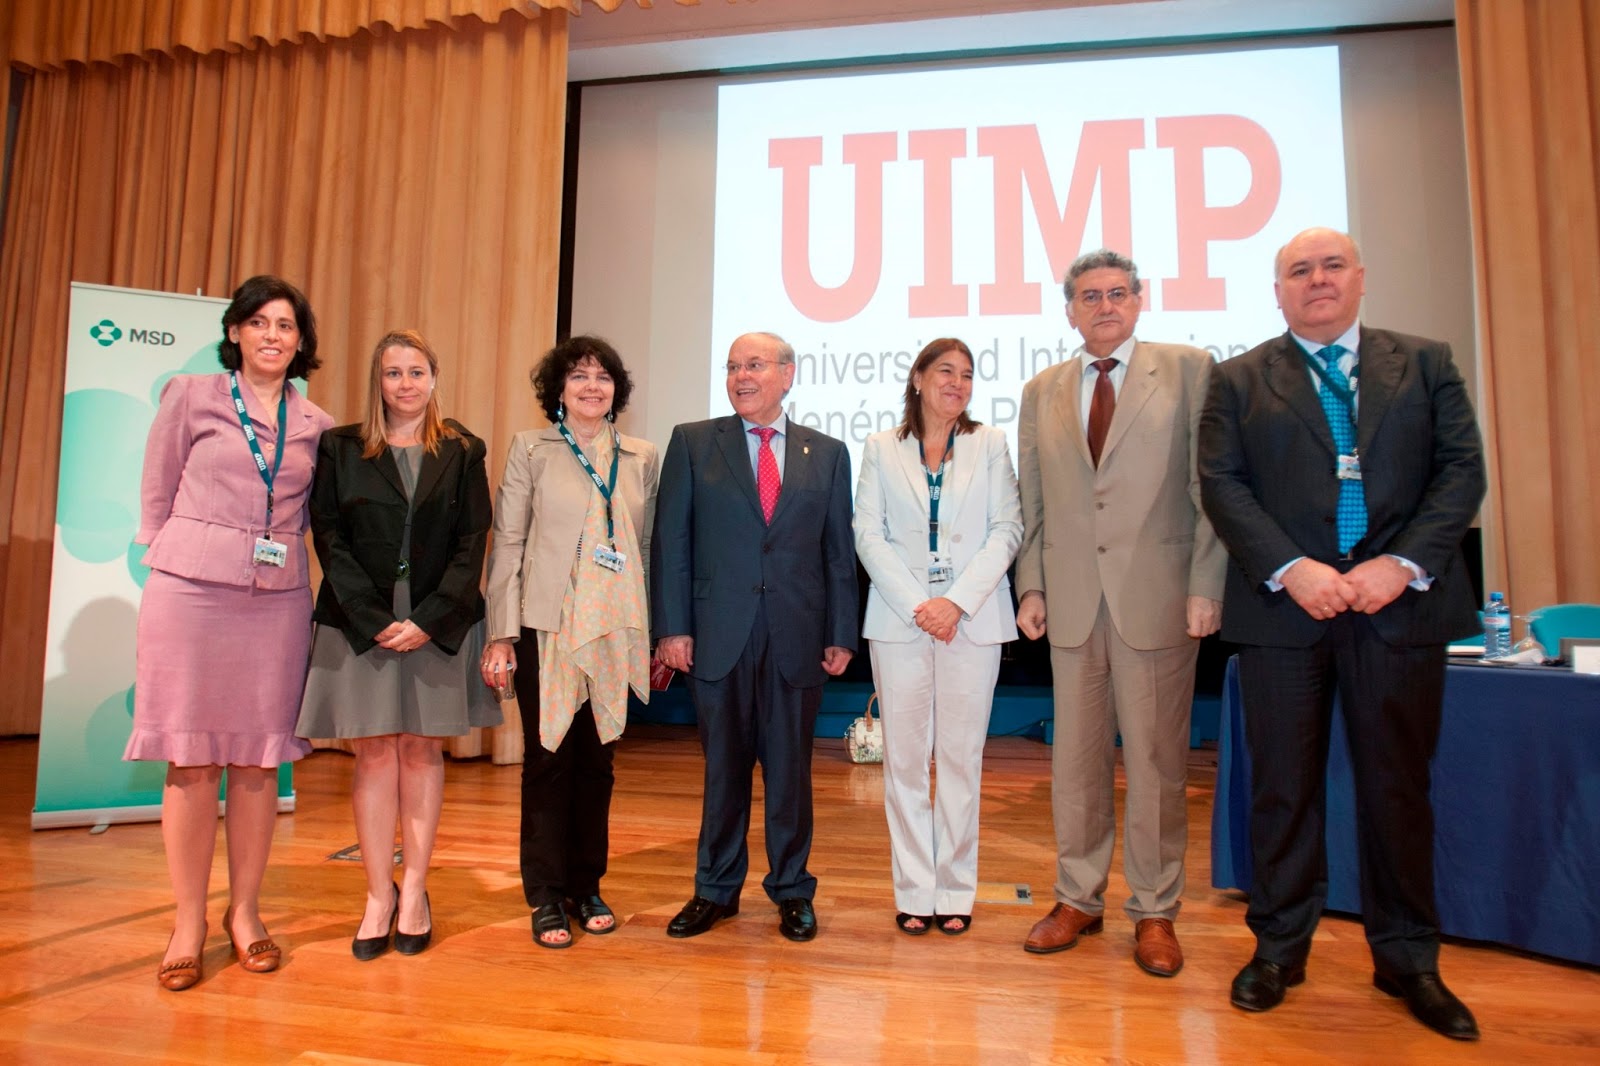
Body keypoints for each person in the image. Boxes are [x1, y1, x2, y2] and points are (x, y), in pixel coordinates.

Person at [1198, 227, 1485, 1040]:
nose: (1316, 281)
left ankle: (1407, 960)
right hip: (1286, 613)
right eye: (1299, 271)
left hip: (1401, 607)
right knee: (1283, 791)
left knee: (1397, 788)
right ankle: (1279, 950)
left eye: (1331, 267)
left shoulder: (1426, 363)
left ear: (1360, 278)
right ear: (1277, 291)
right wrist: (1295, 568)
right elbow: (1222, 485)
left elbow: (1461, 473)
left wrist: (1401, 564)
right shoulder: (1236, 379)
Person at [1015, 249, 1226, 976]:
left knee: (1158, 763)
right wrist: (1030, 586)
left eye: (1116, 294)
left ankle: (1155, 910)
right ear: (1068, 309)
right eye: (1088, 296)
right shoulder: (1042, 389)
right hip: (1071, 602)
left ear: (1140, 300)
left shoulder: (1191, 368)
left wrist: (1207, 583)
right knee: (1074, 764)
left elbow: (1211, 487)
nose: (1103, 306)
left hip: (1159, 597)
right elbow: (1033, 503)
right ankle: (1078, 896)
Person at [125, 275, 334, 990]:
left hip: (274, 602)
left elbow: (319, 518)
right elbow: (157, 487)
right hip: (188, 593)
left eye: (287, 325)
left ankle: (244, 913)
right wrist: (165, 555)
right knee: (188, 760)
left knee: (254, 761)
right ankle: (187, 919)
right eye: (260, 322)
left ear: (301, 342)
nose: (273, 335)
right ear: (236, 332)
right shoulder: (192, 396)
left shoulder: (318, 425)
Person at [296, 329, 498, 960]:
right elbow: (328, 535)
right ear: (376, 381)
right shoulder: (341, 447)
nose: (405, 383)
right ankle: (377, 895)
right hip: (363, 623)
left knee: (420, 751)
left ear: (435, 378)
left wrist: (432, 618)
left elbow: (474, 543)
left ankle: (414, 890)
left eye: (416, 371)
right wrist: (371, 616)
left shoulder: (463, 449)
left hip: (438, 623)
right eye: (393, 373)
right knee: (375, 754)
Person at [653, 331, 858, 943]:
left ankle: (792, 889)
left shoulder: (826, 453)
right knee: (724, 770)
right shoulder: (693, 443)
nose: (742, 376)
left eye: (756, 365)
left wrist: (841, 631)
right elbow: (672, 543)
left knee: (791, 772)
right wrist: (673, 628)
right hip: (717, 635)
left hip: (798, 637)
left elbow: (838, 554)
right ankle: (714, 889)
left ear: (788, 375)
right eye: (734, 366)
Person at [482, 335, 658, 949]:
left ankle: (587, 886)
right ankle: (547, 894)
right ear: (558, 388)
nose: (591, 386)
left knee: (598, 763)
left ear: (617, 389)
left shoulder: (640, 455)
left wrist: (652, 632)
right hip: (546, 627)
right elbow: (507, 541)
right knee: (548, 760)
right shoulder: (531, 449)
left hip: (614, 630)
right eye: (579, 375)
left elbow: (648, 549)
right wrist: (501, 633)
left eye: (603, 376)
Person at [853, 338, 1022, 936]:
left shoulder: (990, 444)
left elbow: (1007, 529)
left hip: (970, 622)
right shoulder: (880, 447)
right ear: (918, 378)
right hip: (901, 623)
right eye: (946, 371)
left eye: (968, 375)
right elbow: (867, 535)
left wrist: (955, 602)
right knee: (903, 763)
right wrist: (920, 605)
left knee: (959, 760)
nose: (958, 383)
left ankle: (954, 890)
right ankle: (914, 890)